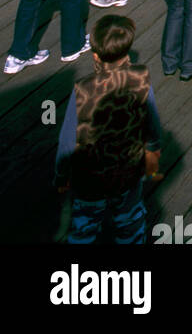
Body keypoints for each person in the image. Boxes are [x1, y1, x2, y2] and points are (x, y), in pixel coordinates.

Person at [55, 15, 162, 244]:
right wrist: (152, 151)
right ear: (127, 51)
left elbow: (66, 142)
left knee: (84, 227)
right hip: (128, 170)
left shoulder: (82, 89)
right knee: (130, 223)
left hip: (89, 177)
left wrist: (61, 175)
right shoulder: (142, 78)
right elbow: (152, 123)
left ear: (95, 54)